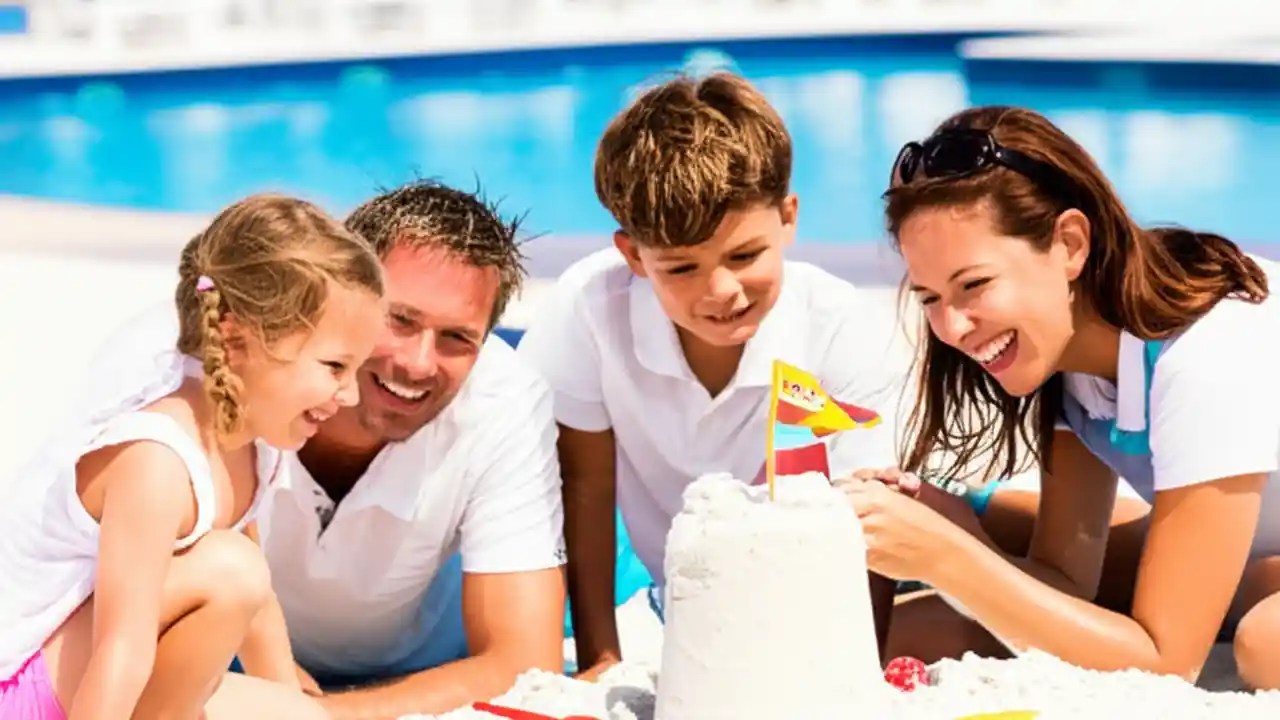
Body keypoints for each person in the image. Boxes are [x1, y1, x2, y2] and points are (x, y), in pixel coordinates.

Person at [85, 179, 568, 718]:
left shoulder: (505, 401)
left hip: (420, 666)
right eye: (398, 319)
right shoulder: (204, 367)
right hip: (220, 659)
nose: (418, 363)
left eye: (457, 337)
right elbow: (96, 605)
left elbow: (524, 661)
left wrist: (318, 715)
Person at [841, 105, 1280, 689]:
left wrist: (944, 557)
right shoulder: (1070, 349)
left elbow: (1166, 667)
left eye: (974, 284)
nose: (952, 327)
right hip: (1258, 540)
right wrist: (954, 534)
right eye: (929, 298)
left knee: (1265, 642)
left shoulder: (1203, 355)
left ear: (1070, 244)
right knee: (989, 524)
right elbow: (1064, 582)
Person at [516, 71, 910, 680]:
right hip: (674, 572)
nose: (721, 291)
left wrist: (858, 670)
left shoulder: (839, 326)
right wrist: (601, 661)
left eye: (744, 256)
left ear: (788, 218)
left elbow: (871, 521)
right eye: (681, 268)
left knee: (953, 517)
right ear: (632, 256)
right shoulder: (590, 309)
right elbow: (583, 486)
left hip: (823, 560)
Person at [0, 194, 386, 719]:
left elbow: (261, 611)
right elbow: (122, 647)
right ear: (235, 340)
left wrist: (289, 704)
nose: (350, 397)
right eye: (335, 366)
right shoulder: (156, 461)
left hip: (86, 680)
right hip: (28, 693)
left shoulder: (252, 444)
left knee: (302, 711)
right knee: (231, 571)